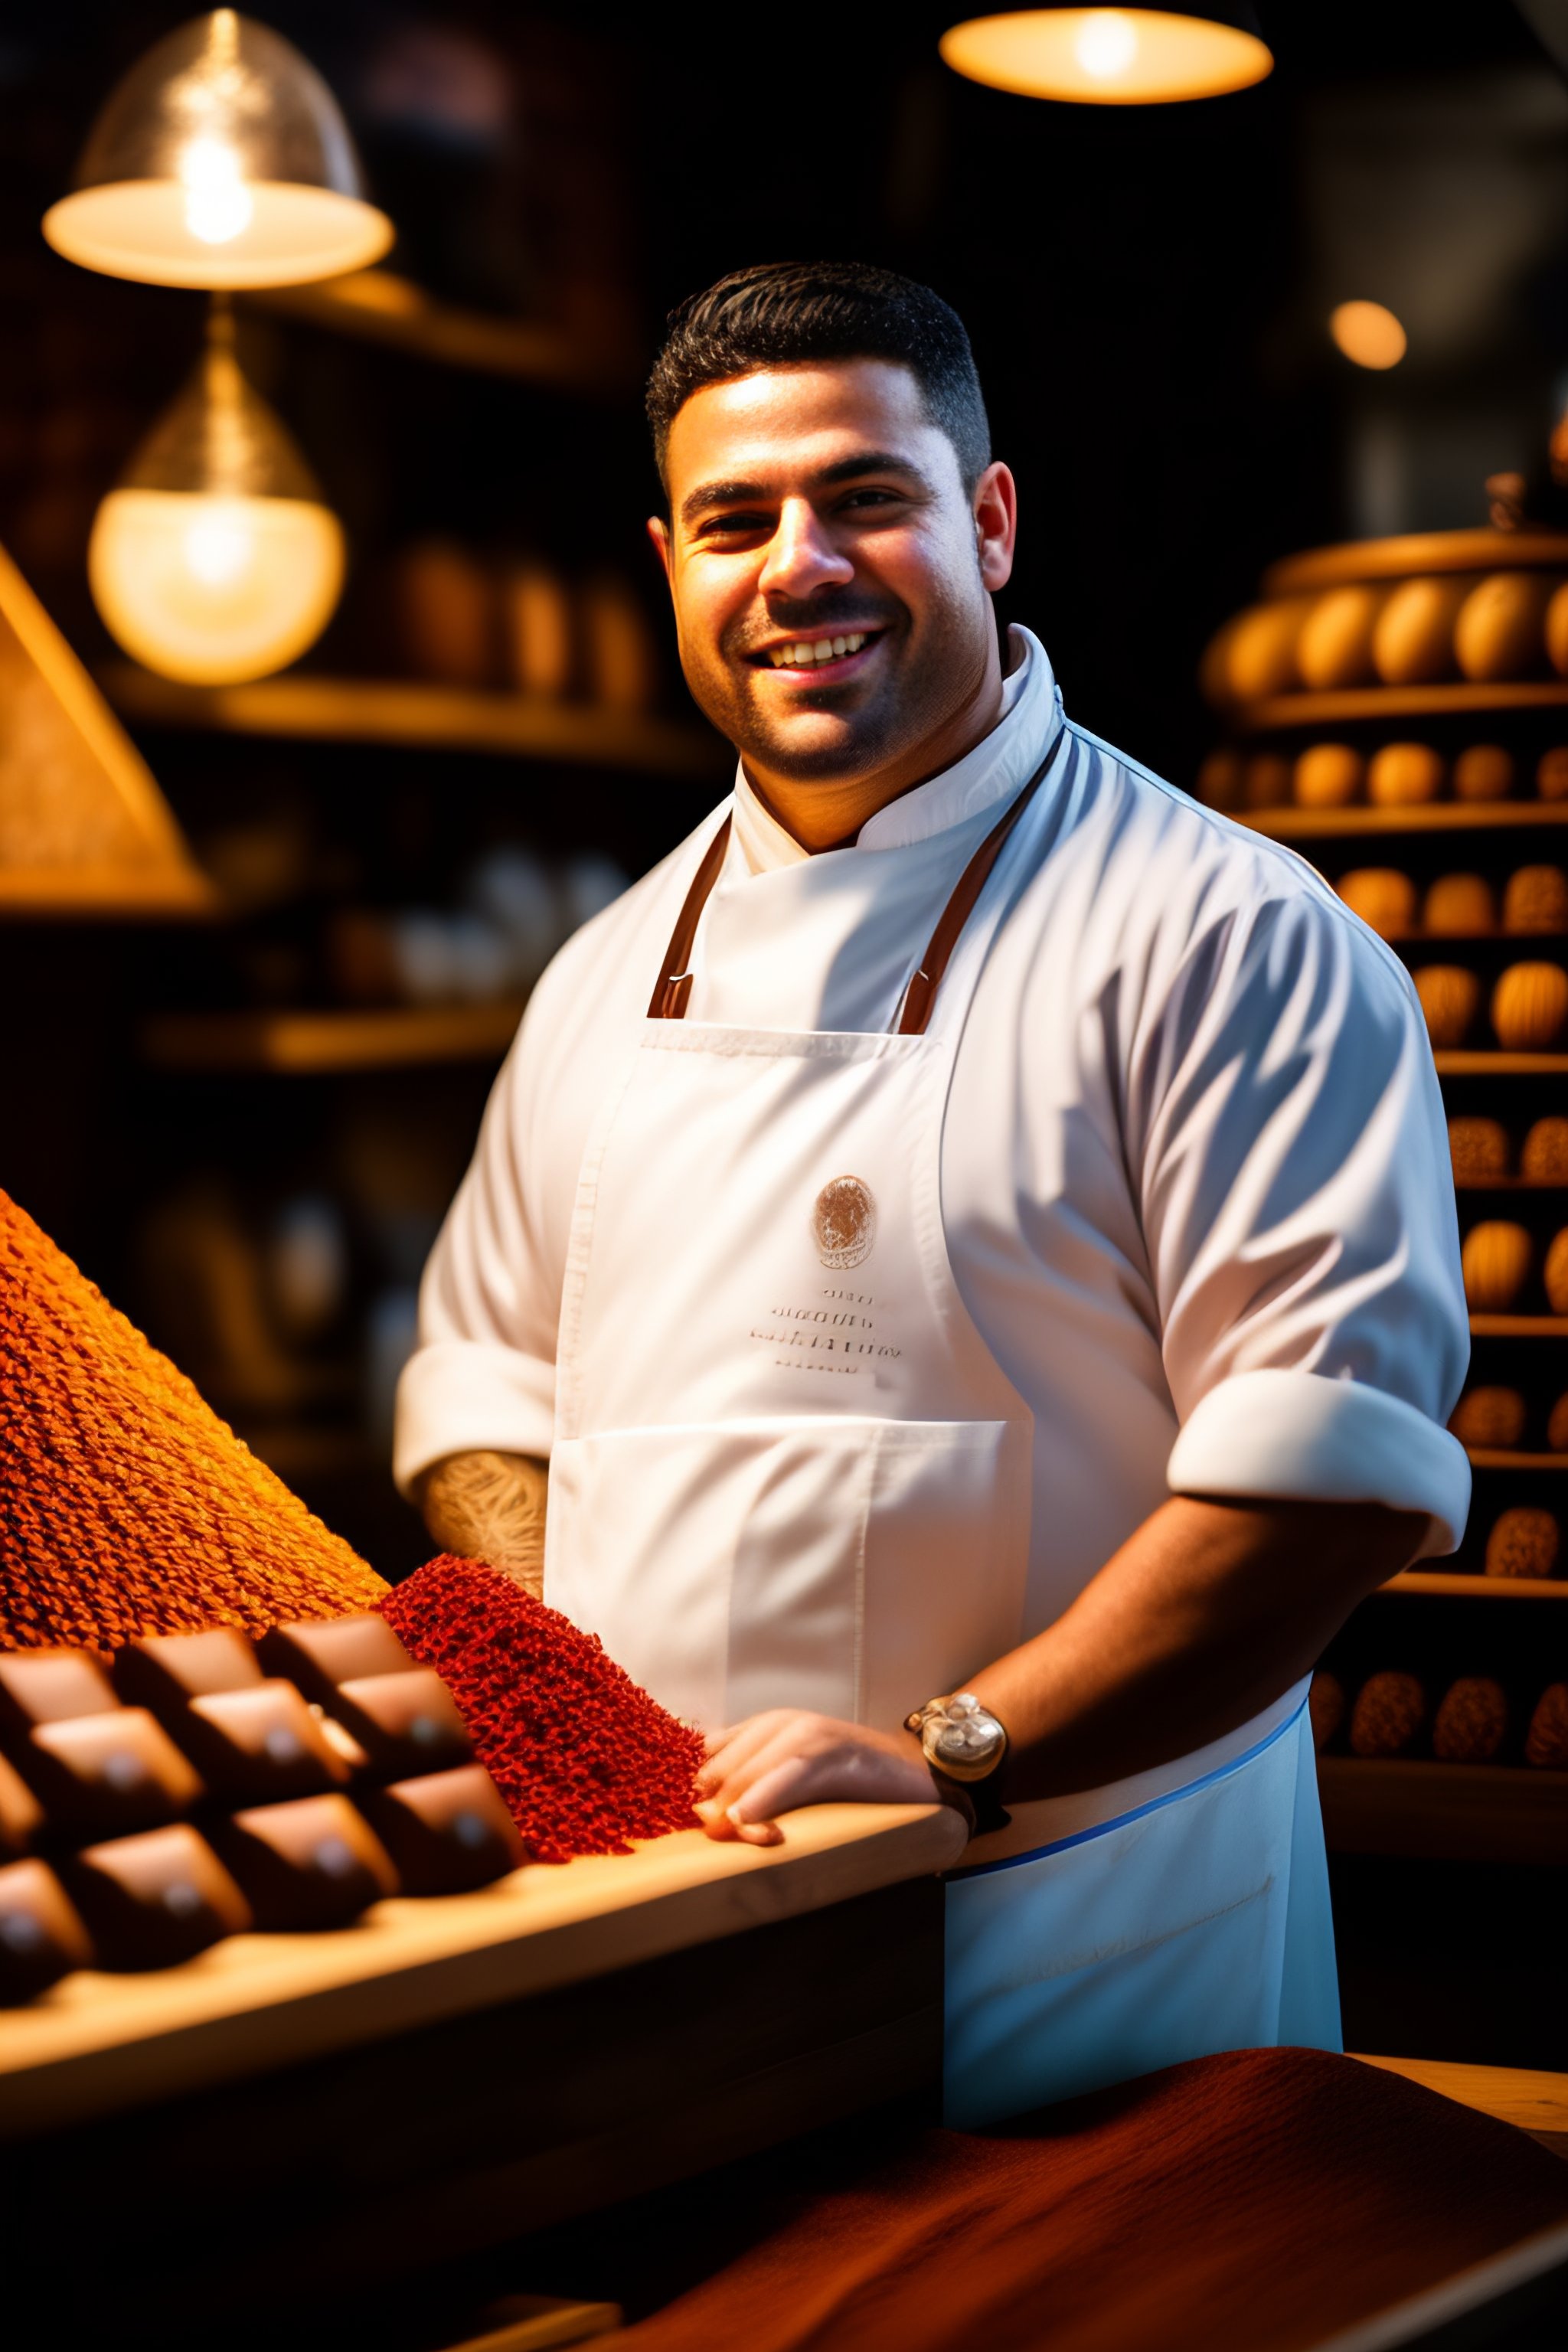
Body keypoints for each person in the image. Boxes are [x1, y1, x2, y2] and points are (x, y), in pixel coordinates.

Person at [394, 260, 1469, 2125]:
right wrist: (599, 1741)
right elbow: (484, 1395)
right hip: (666, 1962)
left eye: (863, 497)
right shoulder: (597, 977)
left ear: (989, 521)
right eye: (733, 520)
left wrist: (953, 1754)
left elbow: (1324, 1485)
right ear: (666, 562)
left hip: (1083, 1964)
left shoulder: (1227, 938)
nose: (795, 566)